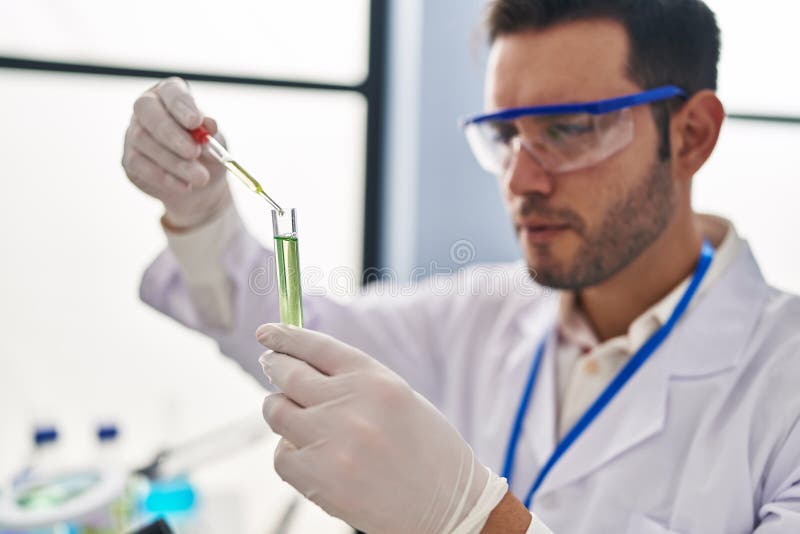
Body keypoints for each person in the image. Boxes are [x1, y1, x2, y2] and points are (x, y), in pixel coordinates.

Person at [121, 0, 800, 532]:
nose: (522, 179)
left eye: (568, 129)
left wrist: (474, 522)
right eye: (506, 135)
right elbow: (302, 332)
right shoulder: (486, 314)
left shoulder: (783, 381)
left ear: (691, 135)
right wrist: (203, 211)